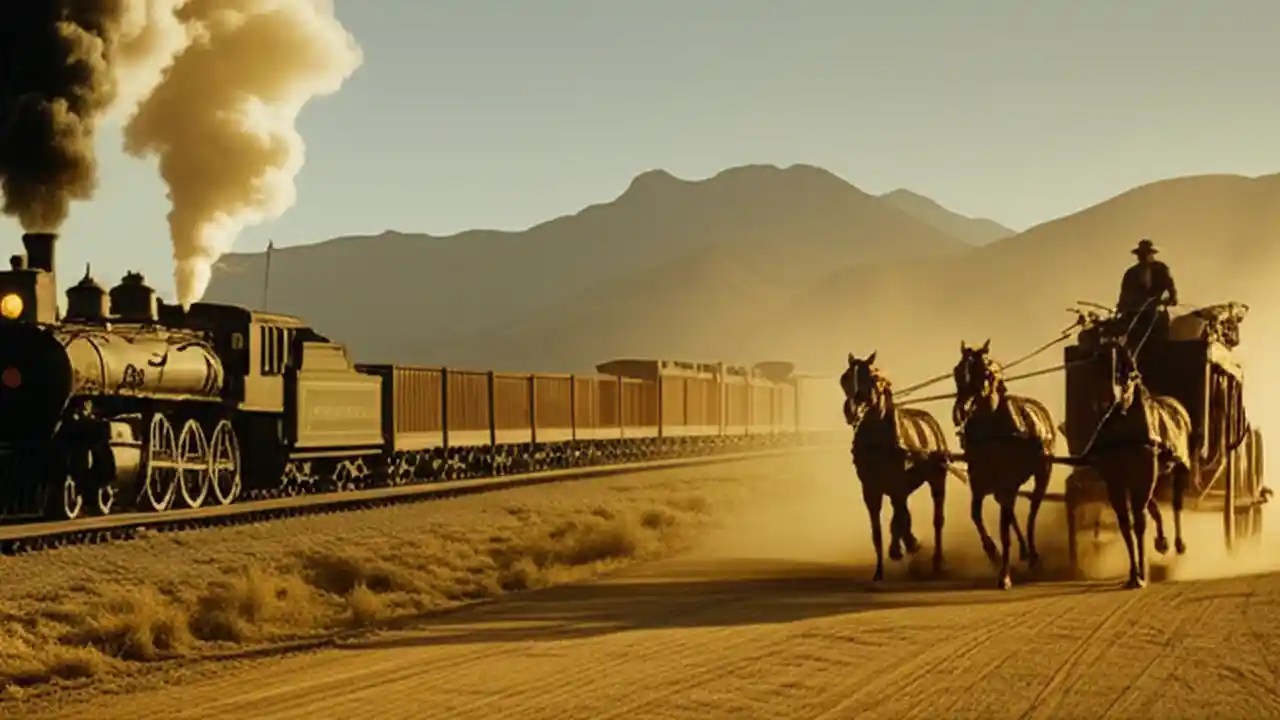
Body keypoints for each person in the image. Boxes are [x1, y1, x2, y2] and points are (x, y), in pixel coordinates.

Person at [1115, 238, 1177, 364]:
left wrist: (1170, 300)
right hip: (1136, 315)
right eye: (1140, 255)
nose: (1142, 257)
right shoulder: (1131, 273)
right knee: (1133, 341)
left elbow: (1171, 290)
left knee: (1160, 340)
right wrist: (1121, 309)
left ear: (1151, 254)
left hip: (1156, 314)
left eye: (1145, 254)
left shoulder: (1161, 269)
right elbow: (1124, 295)